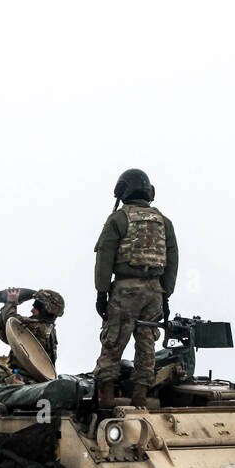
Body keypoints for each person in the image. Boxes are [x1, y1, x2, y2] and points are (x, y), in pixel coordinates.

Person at [92, 169, 178, 408]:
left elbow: (105, 257)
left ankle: (107, 398)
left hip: (125, 289)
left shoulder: (119, 219)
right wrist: (166, 294)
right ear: (149, 192)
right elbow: (173, 259)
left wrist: (101, 292)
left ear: (122, 191)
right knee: (146, 343)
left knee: (113, 341)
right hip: (154, 292)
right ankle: (141, 395)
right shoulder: (163, 221)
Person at [0, 288, 64, 383]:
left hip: (25, 379)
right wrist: (7, 306)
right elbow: (7, 333)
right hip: (26, 378)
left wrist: (11, 303)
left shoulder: (38, 328)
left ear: (45, 310)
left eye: (37, 306)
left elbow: (10, 320)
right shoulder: (48, 329)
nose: (32, 310)